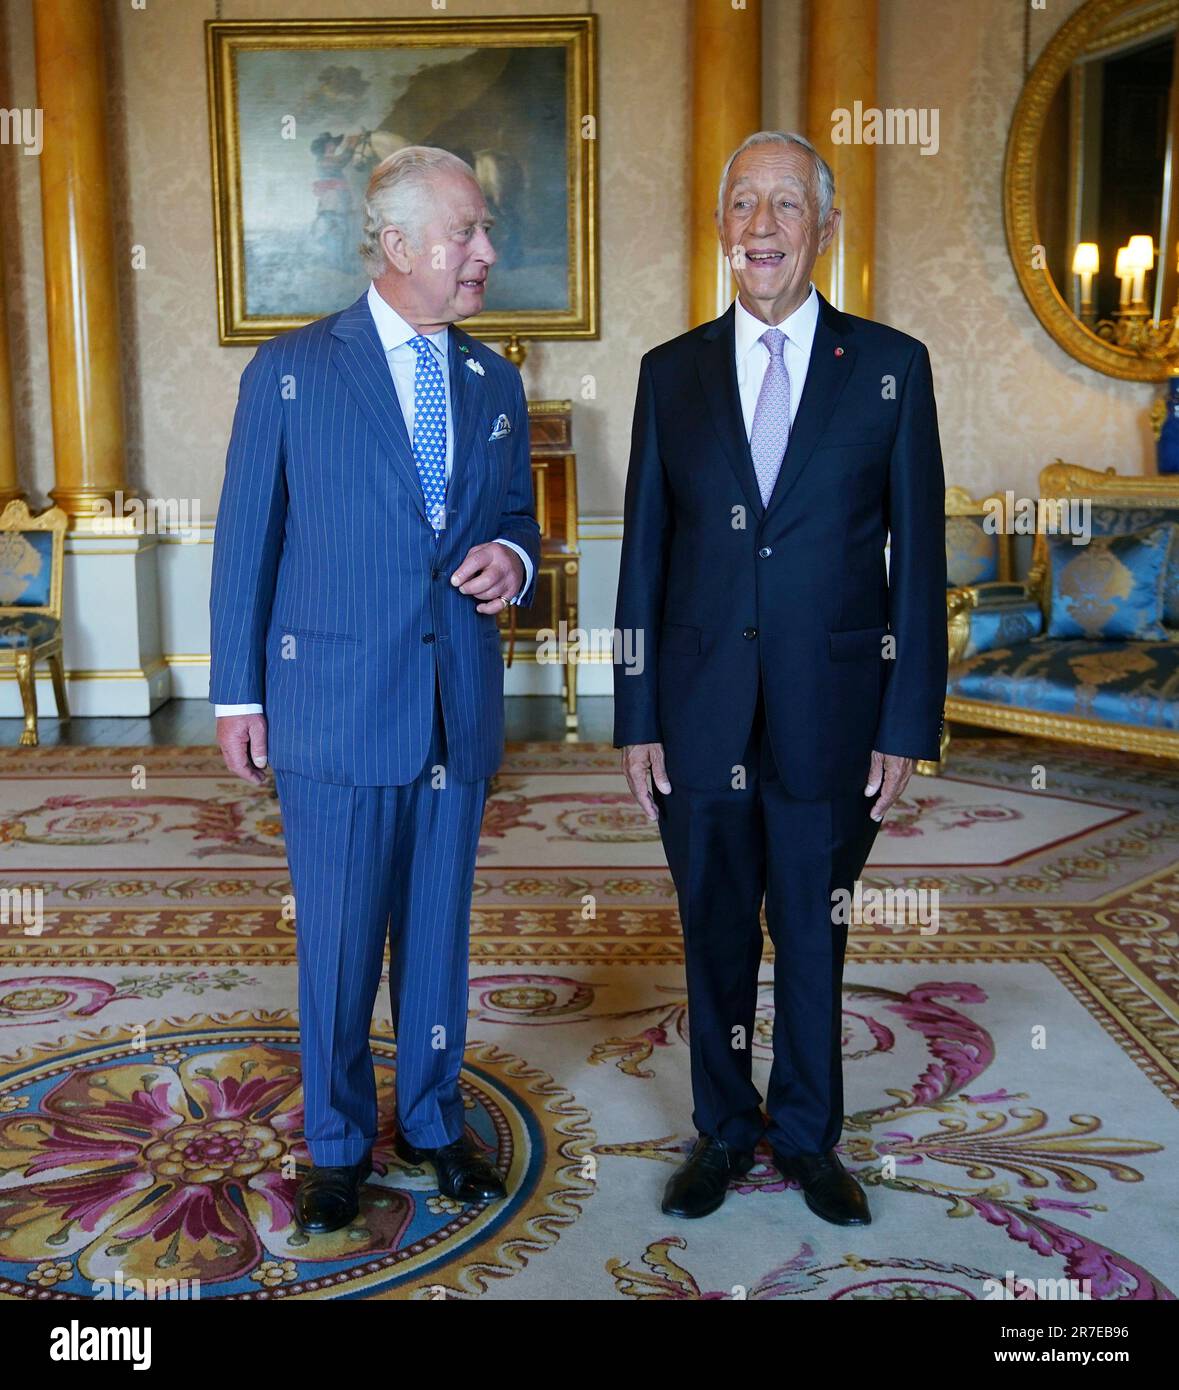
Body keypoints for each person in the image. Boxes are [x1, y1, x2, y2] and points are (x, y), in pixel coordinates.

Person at [613, 130, 947, 1226]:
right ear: (720, 228)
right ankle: (722, 1129)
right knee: (712, 928)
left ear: (825, 228)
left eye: (787, 206)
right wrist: (635, 713)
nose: (762, 227)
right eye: (743, 205)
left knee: (813, 926)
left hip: (836, 712)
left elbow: (920, 558)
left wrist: (906, 721)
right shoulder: (670, 373)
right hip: (699, 714)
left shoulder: (892, 368)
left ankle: (807, 1138)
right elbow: (644, 559)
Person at [210, 145, 540, 1234]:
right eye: (466, 234)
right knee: (342, 941)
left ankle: (435, 1124)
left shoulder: (496, 381)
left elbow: (519, 525)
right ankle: (339, 1142)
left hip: (458, 705)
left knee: (438, 939)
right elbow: (245, 542)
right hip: (334, 712)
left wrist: (514, 562)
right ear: (398, 246)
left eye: (484, 232)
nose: (486, 252)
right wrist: (236, 696)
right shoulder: (293, 370)